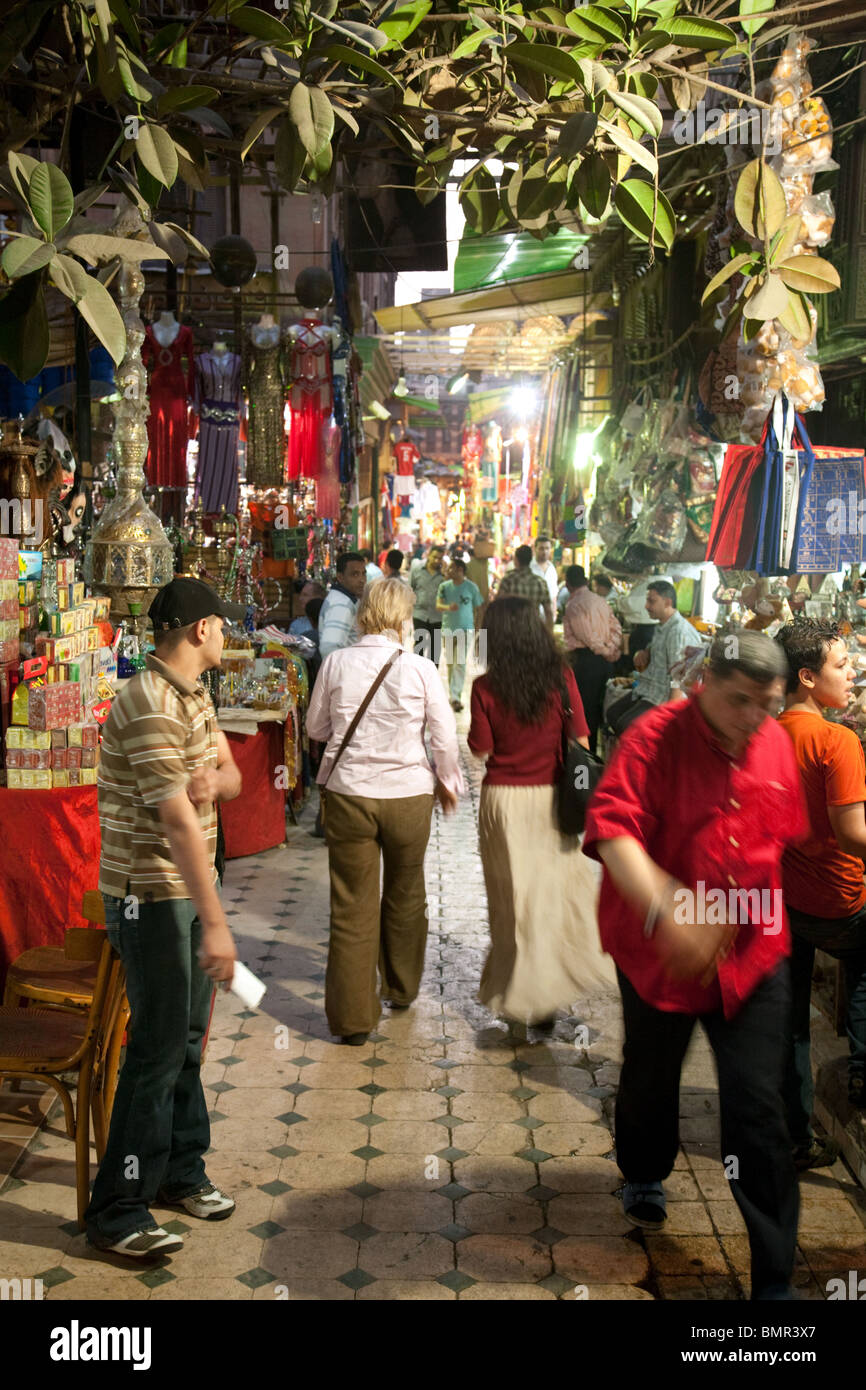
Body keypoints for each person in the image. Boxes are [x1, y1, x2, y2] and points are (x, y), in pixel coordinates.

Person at [583, 633, 806, 1300]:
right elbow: (612, 828)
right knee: (652, 1072)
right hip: (659, 951)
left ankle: (773, 1277)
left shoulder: (775, 741)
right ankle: (644, 1170)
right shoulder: (654, 737)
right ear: (705, 681)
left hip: (753, 949)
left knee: (759, 1108)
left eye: (764, 705)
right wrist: (665, 907)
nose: (750, 719)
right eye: (737, 700)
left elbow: (780, 838)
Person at [85, 578, 243, 1259]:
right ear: (201, 630)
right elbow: (177, 823)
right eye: (223, 625)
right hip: (147, 896)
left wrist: (214, 780)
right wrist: (216, 922)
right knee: (152, 1049)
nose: (228, 635)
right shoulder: (147, 701)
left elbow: (229, 773)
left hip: (183, 890)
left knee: (182, 1041)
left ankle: (179, 1172)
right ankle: (118, 1207)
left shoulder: (193, 693)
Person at [307, 579, 463, 1044]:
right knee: (406, 891)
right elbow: (445, 737)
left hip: (350, 794)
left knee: (352, 905)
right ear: (401, 619)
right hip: (409, 797)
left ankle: (354, 1021)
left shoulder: (335, 663)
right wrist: (448, 782)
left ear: (362, 616)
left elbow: (316, 728)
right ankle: (400, 987)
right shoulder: (420, 668)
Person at [468, 597, 615, 1030]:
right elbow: (584, 746)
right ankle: (545, 994)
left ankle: (519, 1000)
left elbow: (480, 747)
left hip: (505, 804)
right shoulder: (562, 678)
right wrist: (582, 801)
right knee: (549, 898)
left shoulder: (485, 687)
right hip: (553, 800)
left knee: (510, 901)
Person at [775, 618, 866, 1163]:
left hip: (783, 900)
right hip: (837, 902)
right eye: (842, 664)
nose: (853, 670)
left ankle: (794, 1135)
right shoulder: (837, 740)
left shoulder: (764, 735)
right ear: (807, 677)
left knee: (790, 1020)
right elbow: (852, 833)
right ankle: (861, 1074)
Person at [606, 579, 702, 736]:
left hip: (662, 697)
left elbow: (681, 678)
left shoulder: (678, 632)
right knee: (612, 714)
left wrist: (671, 715)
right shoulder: (662, 626)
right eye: (647, 601)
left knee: (626, 726)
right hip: (648, 690)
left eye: (652, 601)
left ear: (667, 602)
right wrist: (645, 653)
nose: (646, 606)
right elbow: (658, 650)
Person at [562, 564, 622, 755]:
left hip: (587, 662)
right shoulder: (600, 601)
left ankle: (584, 764)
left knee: (584, 713)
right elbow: (616, 628)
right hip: (604, 663)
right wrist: (611, 650)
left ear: (567, 583)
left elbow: (587, 636)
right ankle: (592, 759)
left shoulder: (574, 605)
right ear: (586, 581)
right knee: (597, 710)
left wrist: (604, 651)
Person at [436, 557, 483, 711]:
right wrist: (448, 607)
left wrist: (477, 626)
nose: (449, 571)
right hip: (448, 628)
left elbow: (480, 607)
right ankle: (453, 694)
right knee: (450, 663)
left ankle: (456, 696)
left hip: (465, 629)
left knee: (460, 663)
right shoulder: (444, 586)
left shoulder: (471, 587)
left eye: (452, 568)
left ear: (460, 570)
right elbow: (438, 605)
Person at [318, 551, 367, 658]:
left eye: (363, 573)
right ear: (340, 577)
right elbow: (329, 648)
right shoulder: (341, 605)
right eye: (355, 574)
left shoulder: (346, 599)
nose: (362, 580)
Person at [496, 544, 553, 628]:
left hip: (511, 631)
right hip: (533, 631)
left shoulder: (508, 580)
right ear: (530, 560)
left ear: (516, 560)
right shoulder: (540, 583)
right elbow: (548, 612)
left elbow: (498, 607)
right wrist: (549, 634)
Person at [409, 542, 445, 661]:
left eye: (439, 558)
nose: (436, 560)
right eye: (434, 557)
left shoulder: (444, 575)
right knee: (419, 646)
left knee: (435, 648)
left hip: (438, 616)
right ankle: (417, 674)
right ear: (428, 555)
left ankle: (432, 675)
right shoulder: (417, 570)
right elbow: (410, 589)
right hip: (420, 614)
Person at [530, 535, 559, 610]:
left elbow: (553, 595)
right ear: (535, 549)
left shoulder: (552, 569)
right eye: (541, 548)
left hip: (547, 616)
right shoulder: (529, 567)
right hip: (531, 615)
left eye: (547, 548)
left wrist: (554, 614)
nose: (545, 552)